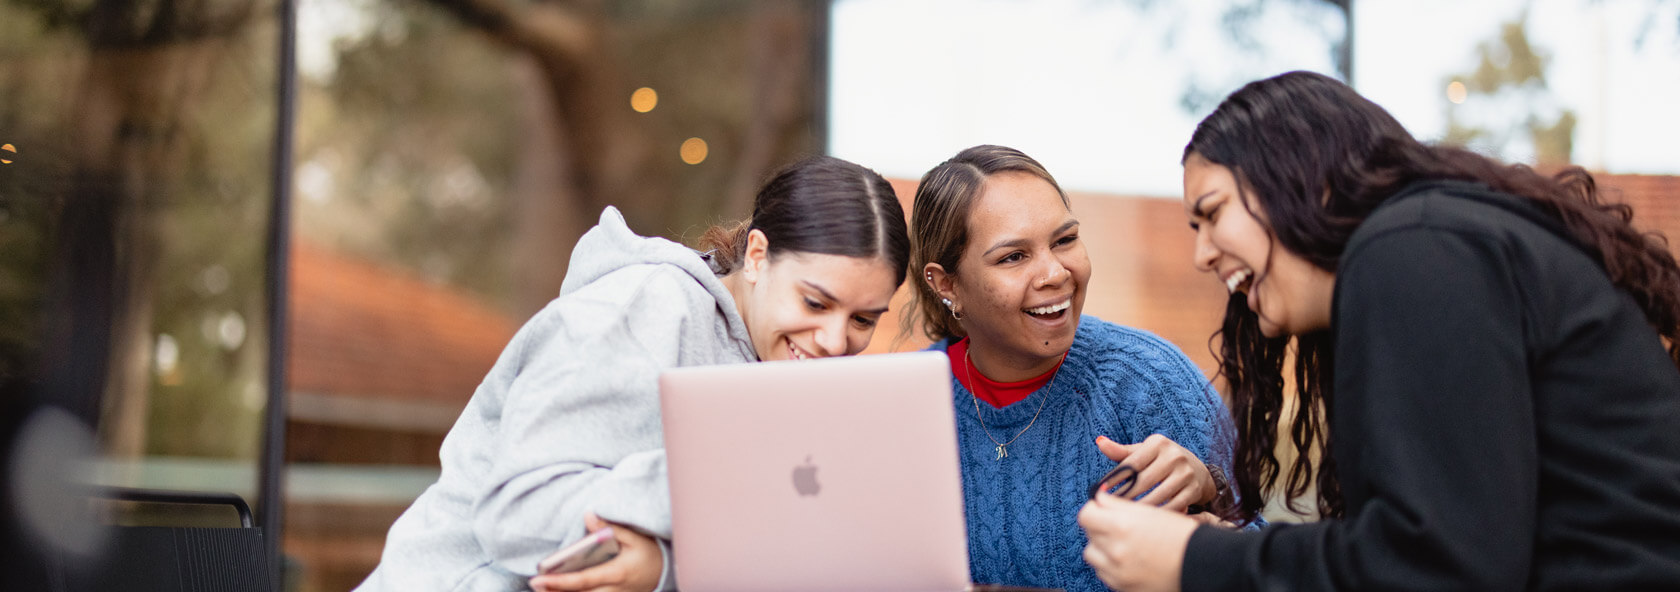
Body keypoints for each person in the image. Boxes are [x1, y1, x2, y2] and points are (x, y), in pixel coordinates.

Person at [1079, 70, 1680, 591]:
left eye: (1212, 213)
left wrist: (1196, 561)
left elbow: (1441, 567)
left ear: (1302, 174)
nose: (1202, 255)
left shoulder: (1410, 252)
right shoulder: (1429, 246)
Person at [356, 155, 912, 592]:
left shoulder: (774, 364)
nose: (837, 341)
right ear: (759, 257)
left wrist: (665, 567)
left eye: (863, 319)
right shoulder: (639, 309)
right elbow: (518, 515)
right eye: (816, 303)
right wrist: (729, 482)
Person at [907, 145, 1240, 592]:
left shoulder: (1150, 380)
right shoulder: (907, 403)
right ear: (946, 283)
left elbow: (1263, 557)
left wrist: (1211, 492)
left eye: (1064, 240)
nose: (1055, 273)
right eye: (1013, 257)